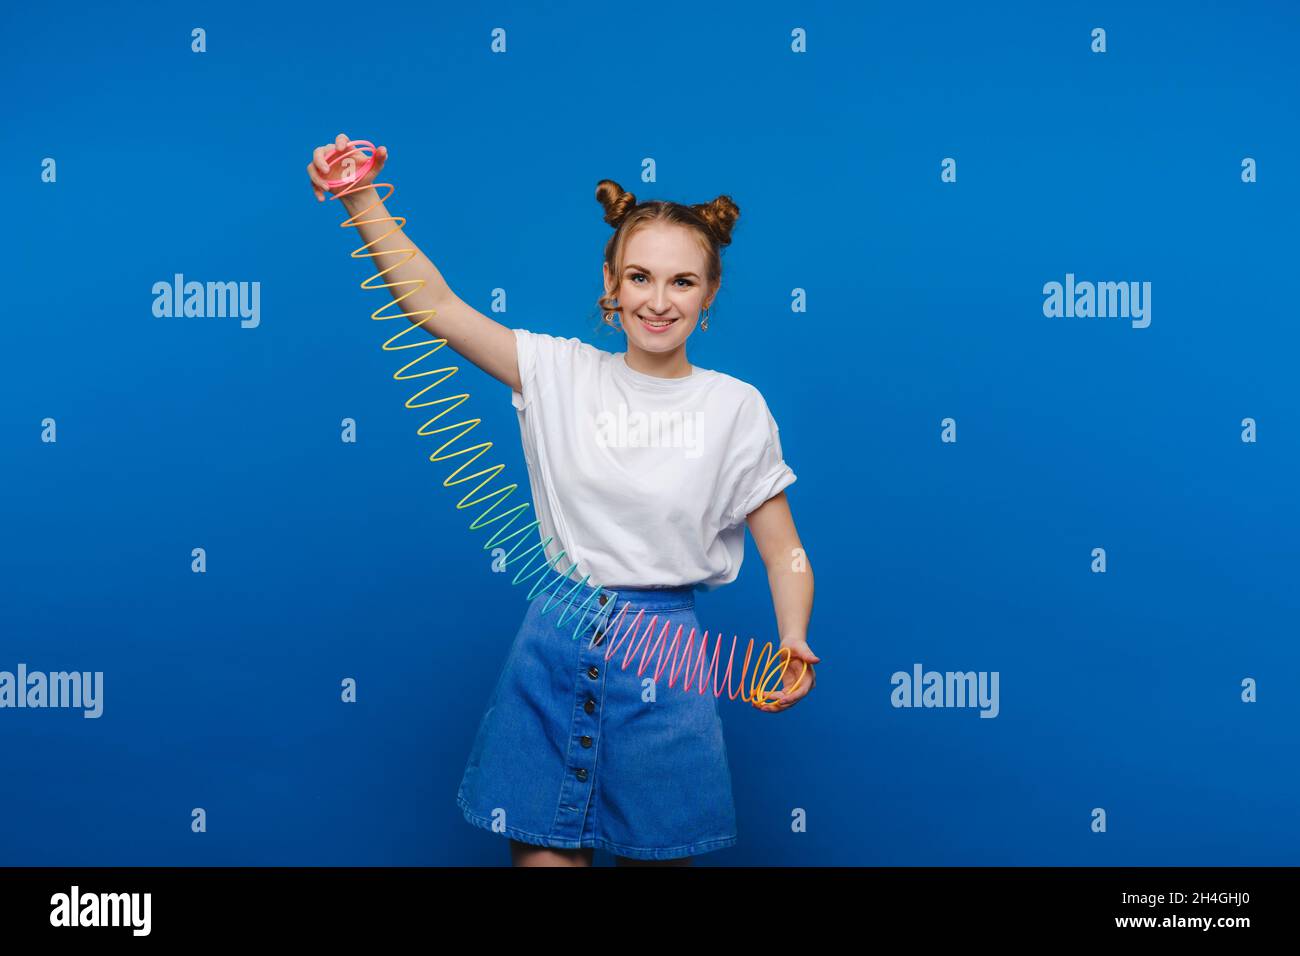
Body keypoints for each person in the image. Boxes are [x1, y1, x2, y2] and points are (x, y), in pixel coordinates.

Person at [307, 133, 819, 866]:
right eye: (640, 277)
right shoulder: (557, 370)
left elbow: (785, 549)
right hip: (553, 645)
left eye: (682, 282)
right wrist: (359, 198)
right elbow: (438, 307)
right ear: (610, 283)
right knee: (544, 855)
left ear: (709, 296)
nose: (658, 299)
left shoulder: (736, 408)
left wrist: (793, 632)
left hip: (664, 666)